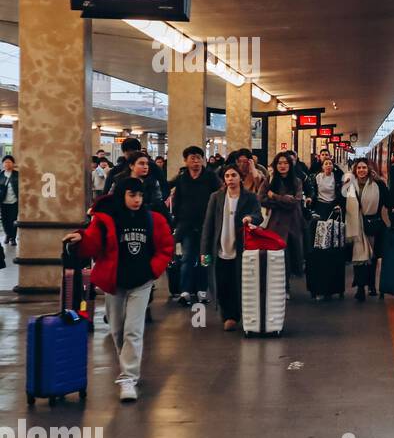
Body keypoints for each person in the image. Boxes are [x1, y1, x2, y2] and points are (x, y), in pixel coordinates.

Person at [62, 177, 175, 402]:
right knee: (117, 329)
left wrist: (152, 270)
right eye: (132, 195)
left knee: (133, 329)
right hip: (115, 282)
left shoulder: (154, 220)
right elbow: (93, 242)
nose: (137, 200)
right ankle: (128, 366)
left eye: (140, 195)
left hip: (141, 282)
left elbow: (165, 247)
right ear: (122, 195)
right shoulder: (107, 219)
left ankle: (127, 377)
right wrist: (80, 238)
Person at [201, 164, 263, 331]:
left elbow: (259, 216)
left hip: (241, 249)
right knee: (221, 283)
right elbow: (208, 224)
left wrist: (250, 218)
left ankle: (235, 316)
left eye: (233, 175)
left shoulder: (249, 197)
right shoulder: (216, 197)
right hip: (220, 248)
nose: (230, 179)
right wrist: (204, 251)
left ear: (240, 178)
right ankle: (226, 315)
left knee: (237, 283)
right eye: (227, 176)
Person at [169, 145, 220, 304]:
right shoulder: (182, 178)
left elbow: (219, 196)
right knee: (187, 258)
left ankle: (202, 290)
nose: (196, 161)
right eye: (192, 158)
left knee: (205, 259)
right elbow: (175, 198)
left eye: (199, 158)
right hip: (187, 225)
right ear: (186, 161)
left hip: (207, 225)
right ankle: (185, 291)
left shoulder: (211, 177)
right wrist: (175, 222)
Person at [343, 158, 388, 302]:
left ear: (368, 169)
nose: (361, 170)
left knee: (372, 258)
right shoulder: (350, 186)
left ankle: (372, 285)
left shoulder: (378, 185)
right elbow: (341, 200)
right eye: (359, 168)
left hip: (373, 224)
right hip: (356, 226)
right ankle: (361, 288)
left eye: (364, 168)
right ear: (355, 170)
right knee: (359, 259)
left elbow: (387, 200)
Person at [261, 151, 305, 280]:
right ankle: (279, 285)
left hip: (293, 221)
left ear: (291, 165)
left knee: (292, 255)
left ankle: (287, 285)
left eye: (286, 163)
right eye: (279, 163)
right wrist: (284, 201)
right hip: (275, 221)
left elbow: (295, 201)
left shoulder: (296, 181)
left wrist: (275, 197)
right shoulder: (269, 180)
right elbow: (261, 198)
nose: (282, 166)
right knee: (277, 255)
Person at [311, 153, 346, 220]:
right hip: (320, 205)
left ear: (333, 166)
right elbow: (314, 191)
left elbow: (340, 192)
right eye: (326, 164)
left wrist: (339, 204)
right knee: (320, 226)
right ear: (322, 167)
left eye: (330, 164)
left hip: (332, 206)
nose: (328, 165)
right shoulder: (318, 177)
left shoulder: (336, 177)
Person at [0, 154, 18, 246]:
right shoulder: (1, 175)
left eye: (9, 162)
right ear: (3, 164)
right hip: (3, 202)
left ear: (13, 164)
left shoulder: (17, 175)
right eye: (5, 162)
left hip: (14, 202)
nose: (7, 164)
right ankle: (8, 235)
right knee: (5, 220)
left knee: (13, 220)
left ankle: (13, 238)